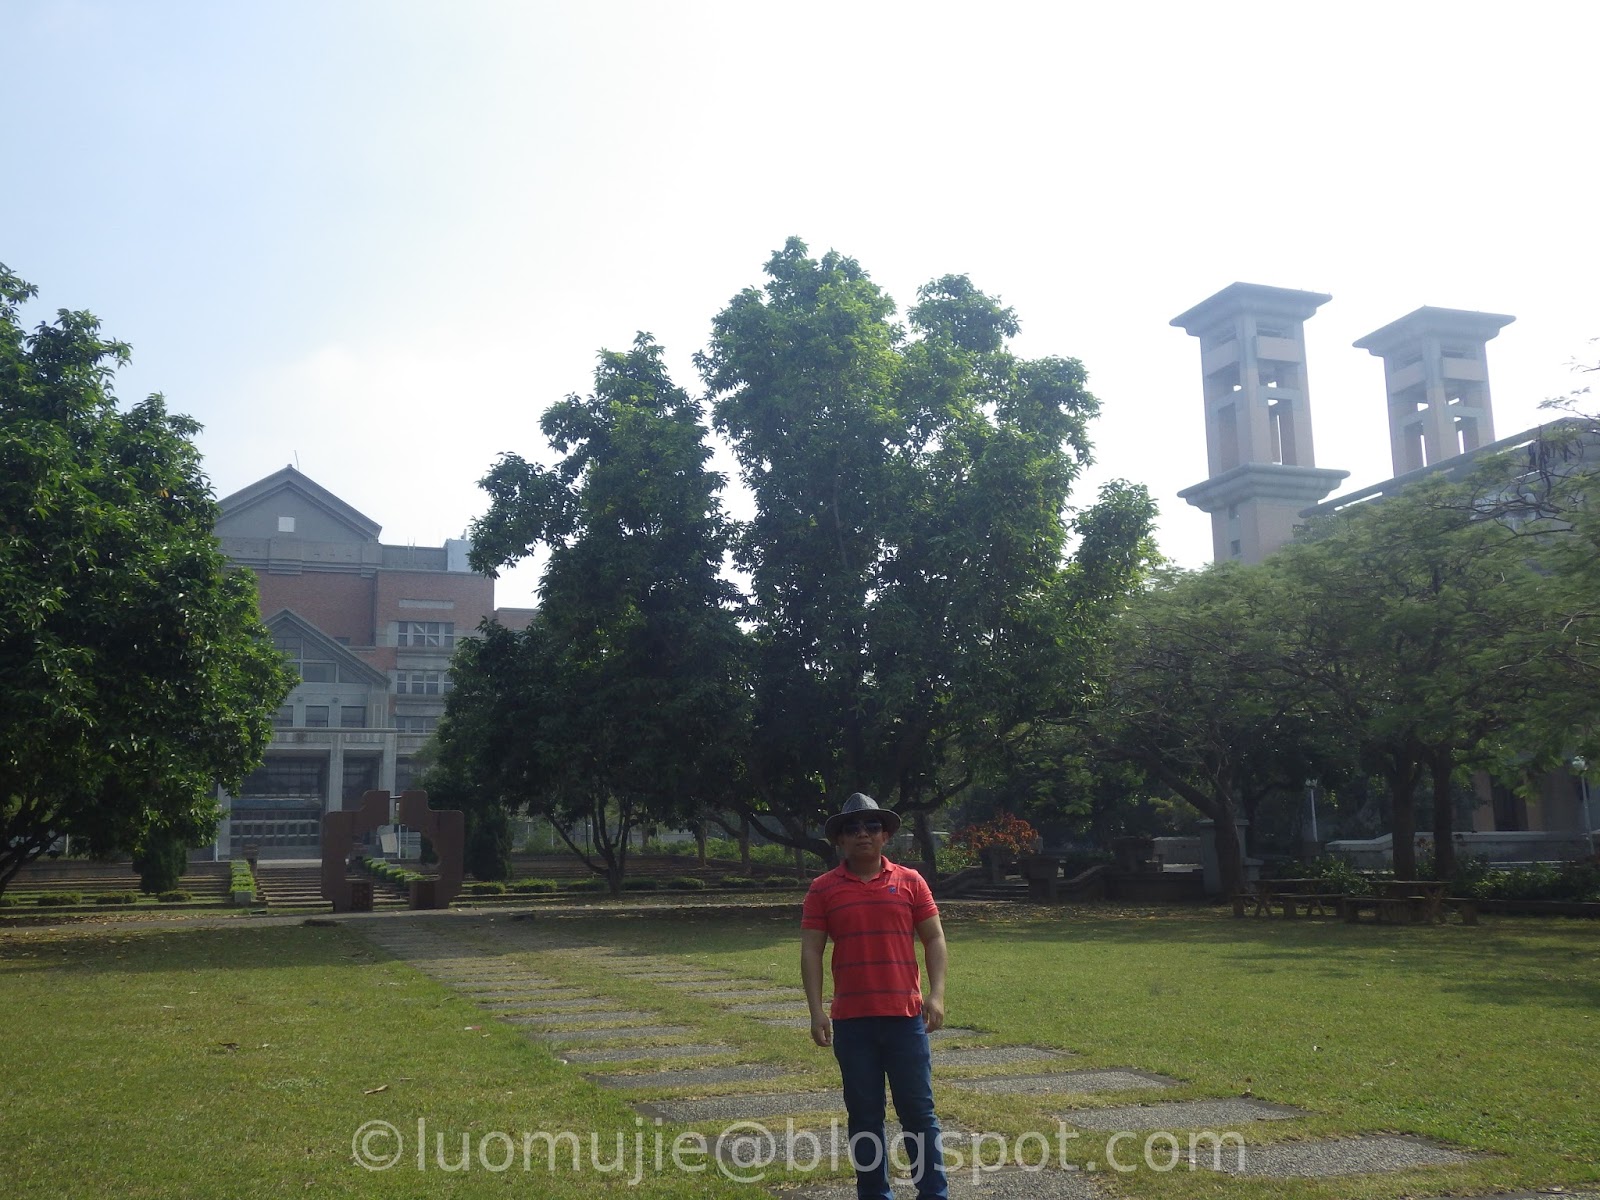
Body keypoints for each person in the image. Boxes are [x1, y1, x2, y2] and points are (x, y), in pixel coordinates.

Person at [801, 792, 948, 1200]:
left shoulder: (910, 881)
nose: (862, 834)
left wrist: (936, 996)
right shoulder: (823, 889)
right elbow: (812, 951)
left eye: (871, 827)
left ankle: (934, 1193)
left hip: (905, 1019)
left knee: (919, 1114)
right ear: (840, 840)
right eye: (852, 828)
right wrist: (816, 1012)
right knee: (864, 1117)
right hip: (853, 1022)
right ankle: (874, 1194)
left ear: (885, 835)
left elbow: (934, 939)